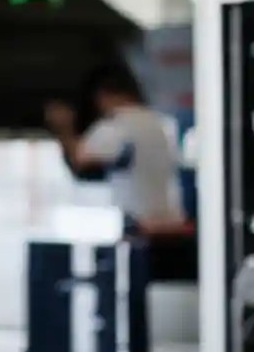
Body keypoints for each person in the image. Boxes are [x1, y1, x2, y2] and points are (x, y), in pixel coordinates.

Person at [45, 64, 186, 235]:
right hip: (174, 223)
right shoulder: (160, 121)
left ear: (103, 96)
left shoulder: (117, 126)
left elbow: (79, 158)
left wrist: (63, 126)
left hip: (143, 228)